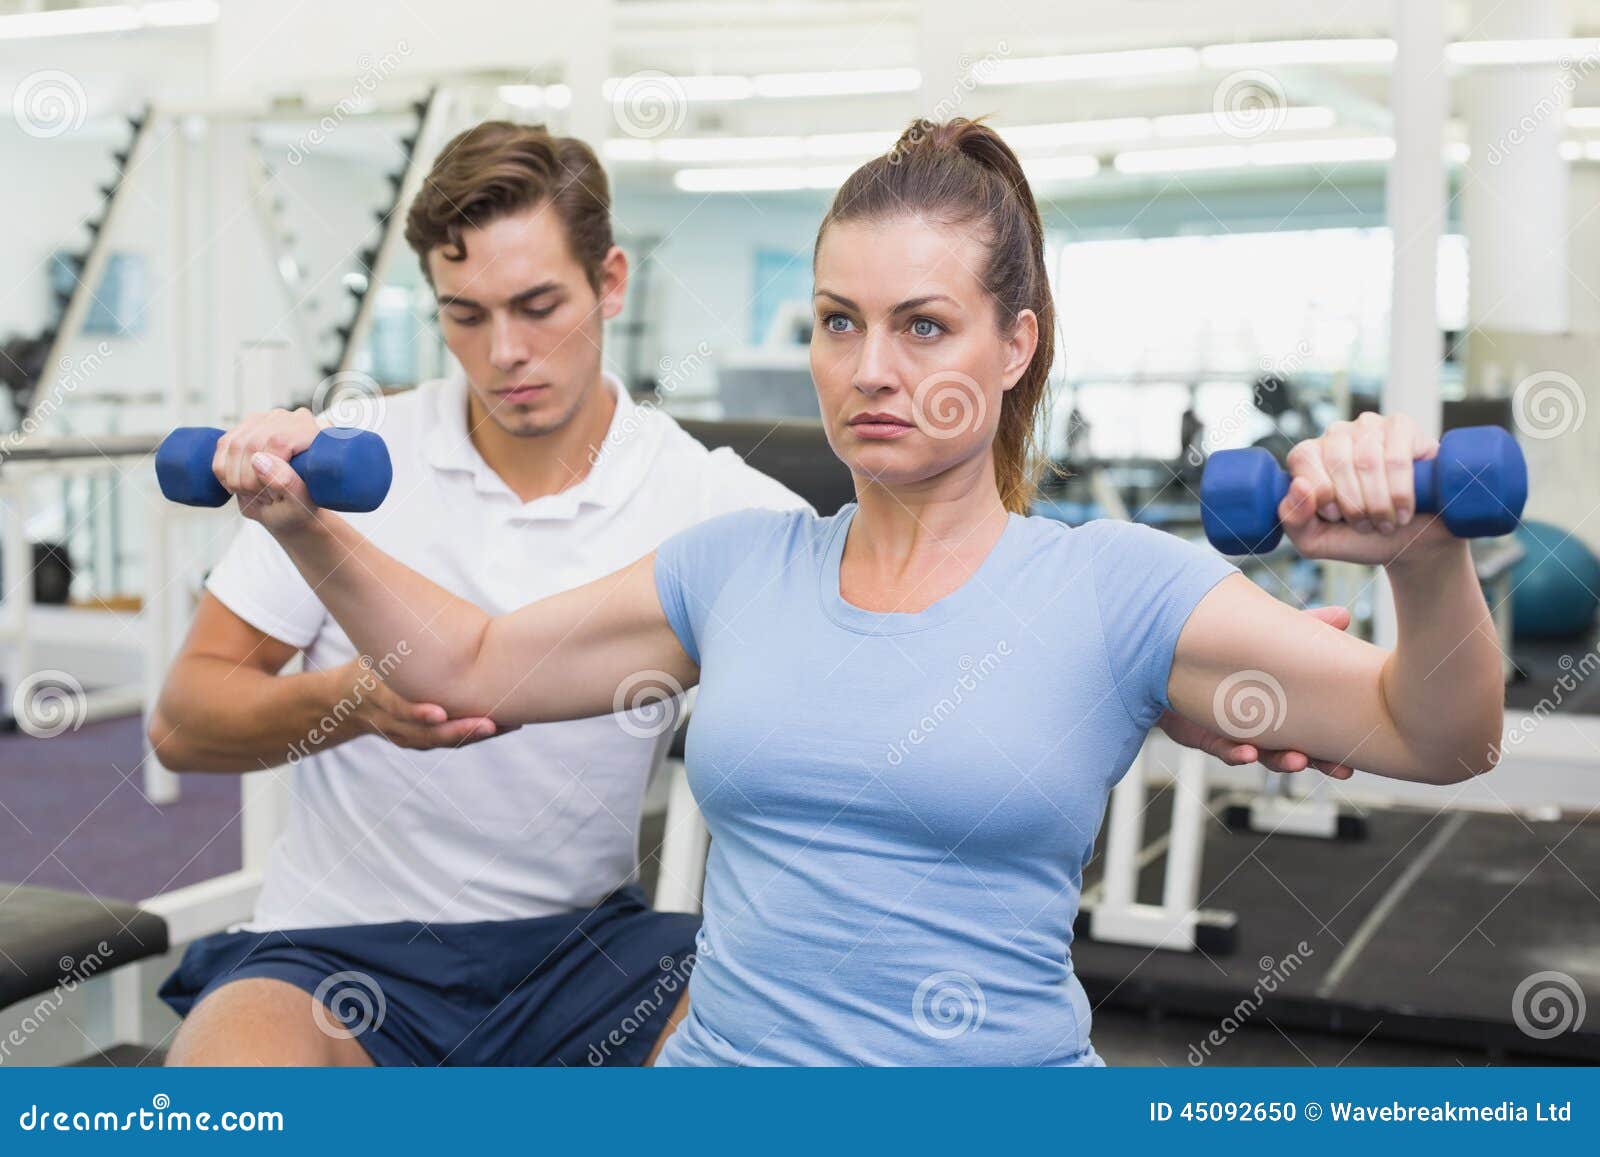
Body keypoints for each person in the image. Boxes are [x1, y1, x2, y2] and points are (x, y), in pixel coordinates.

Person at [194, 118, 1501, 1066]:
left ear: (1017, 342)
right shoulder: (737, 566)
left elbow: (1435, 735)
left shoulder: (1116, 586)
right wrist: (303, 527)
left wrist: (1428, 558)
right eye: (836, 321)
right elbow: (469, 664)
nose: (870, 367)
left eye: (922, 324)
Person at [149, 122, 809, 1067]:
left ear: (610, 281)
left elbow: (873, 589)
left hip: (582, 957)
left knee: (776, 1035)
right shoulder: (345, 457)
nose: (505, 351)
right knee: (225, 1096)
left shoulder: (706, 496)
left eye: (540, 305)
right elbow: (182, 724)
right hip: (336, 951)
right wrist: (351, 703)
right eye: (465, 314)